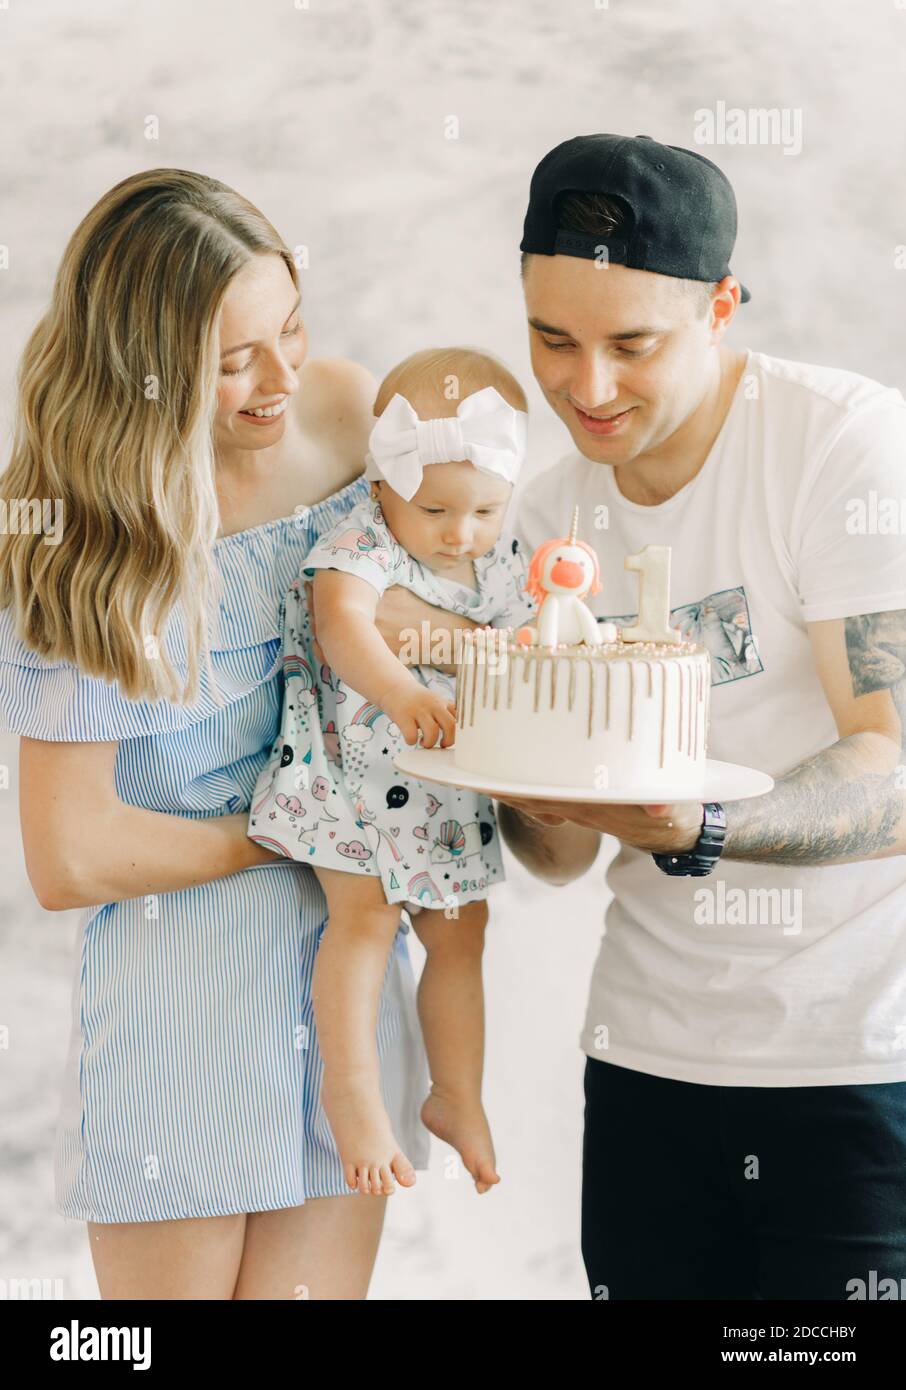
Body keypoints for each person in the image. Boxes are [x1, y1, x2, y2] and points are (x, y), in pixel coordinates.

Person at [378, 133, 906, 1300]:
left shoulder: (839, 445)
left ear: (721, 305)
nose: (589, 388)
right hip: (647, 1061)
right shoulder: (546, 515)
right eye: (552, 339)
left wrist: (699, 823)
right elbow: (560, 854)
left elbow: (898, 757)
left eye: (632, 344)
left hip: (858, 1065)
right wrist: (508, 745)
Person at [0, 168, 448, 1300]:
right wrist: (303, 828)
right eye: (233, 357)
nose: (280, 379)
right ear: (137, 370)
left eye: (291, 329)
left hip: (342, 967)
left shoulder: (346, 419)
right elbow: (73, 854)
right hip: (180, 991)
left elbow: (424, 601)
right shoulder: (75, 538)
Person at [249, 347, 536, 1198]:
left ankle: (458, 1095)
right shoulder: (362, 540)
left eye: (485, 508)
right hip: (350, 779)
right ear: (382, 484)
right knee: (366, 924)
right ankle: (354, 1096)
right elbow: (342, 626)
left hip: (445, 790)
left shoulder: (498, 556)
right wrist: (403, 687)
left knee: (461, 930)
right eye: (437, 507)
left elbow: (527, 638)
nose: (461, 532)